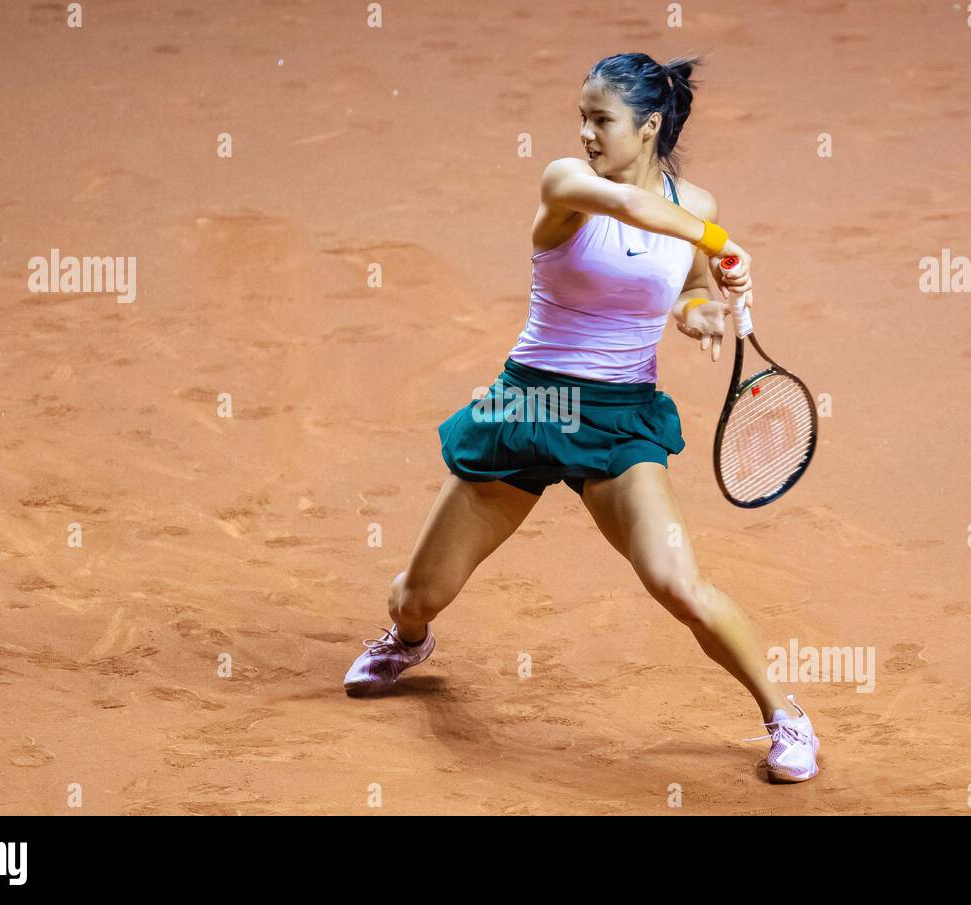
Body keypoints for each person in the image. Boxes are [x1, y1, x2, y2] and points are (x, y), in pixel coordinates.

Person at [344, 52, 819, 783]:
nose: (586, 132)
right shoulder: (567, 183)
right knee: (416, 595)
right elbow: (635, 211)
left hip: (620, 419)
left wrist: (699, 313)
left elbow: (691, 288)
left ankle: (785, 716)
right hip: (528, 405)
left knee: (677, 582)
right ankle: (408, 639)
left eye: (602, 120)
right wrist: (719, 244)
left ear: (649, 126)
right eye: (582, 117)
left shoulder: (697, 204)